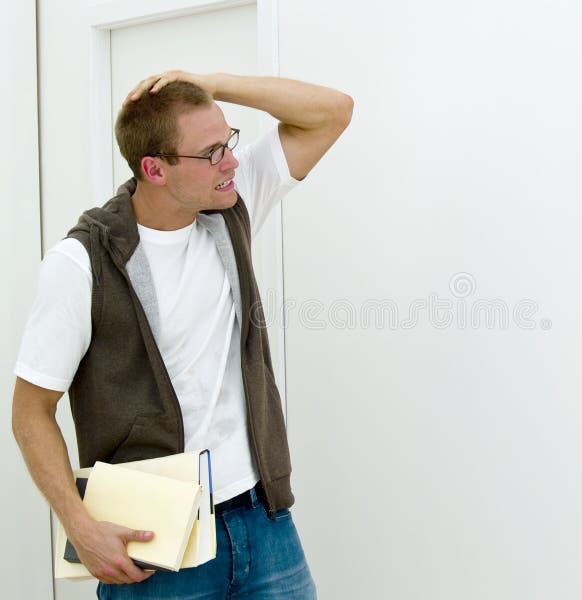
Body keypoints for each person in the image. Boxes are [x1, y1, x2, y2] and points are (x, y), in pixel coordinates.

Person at [11, 70, 352, 598]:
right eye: (212, 152)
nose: (232, 162)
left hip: (263, 520)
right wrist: (79, 525)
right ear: (154, 168)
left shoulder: (228, 209)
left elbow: (332, 111)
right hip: (154, 545)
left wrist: (211, 84)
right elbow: (30, 410)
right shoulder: (81, 263)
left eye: (229, 143)